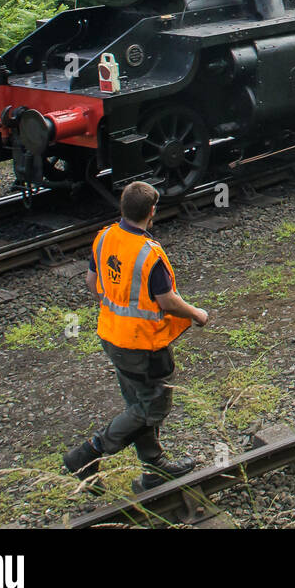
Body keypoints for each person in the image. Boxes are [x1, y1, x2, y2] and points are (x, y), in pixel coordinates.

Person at [63, 181, 210, 493]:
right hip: (143, 344)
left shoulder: (105, 237)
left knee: (137, 402)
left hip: (111, 335)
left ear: (123, 208)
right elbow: (167, 300)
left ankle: (154, 466)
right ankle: (88, 453)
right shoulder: (149, 253)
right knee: (152, 408)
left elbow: (93, 283)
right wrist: (196, 313)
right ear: (152, 211)